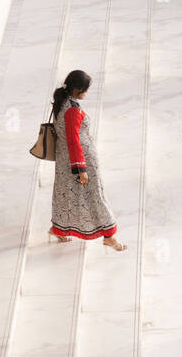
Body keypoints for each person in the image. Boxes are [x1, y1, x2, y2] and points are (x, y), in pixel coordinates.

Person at [48, 70, 126, 251]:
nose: (86, 93)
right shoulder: (72, 110)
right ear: (77, 89)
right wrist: (81, 169)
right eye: (85, 89)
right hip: (80, 161)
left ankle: (58, 229)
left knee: (65, 195)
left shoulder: (62, 102)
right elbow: (73, 140)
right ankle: (109, 236)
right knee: (96, 196)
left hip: (64, 159)